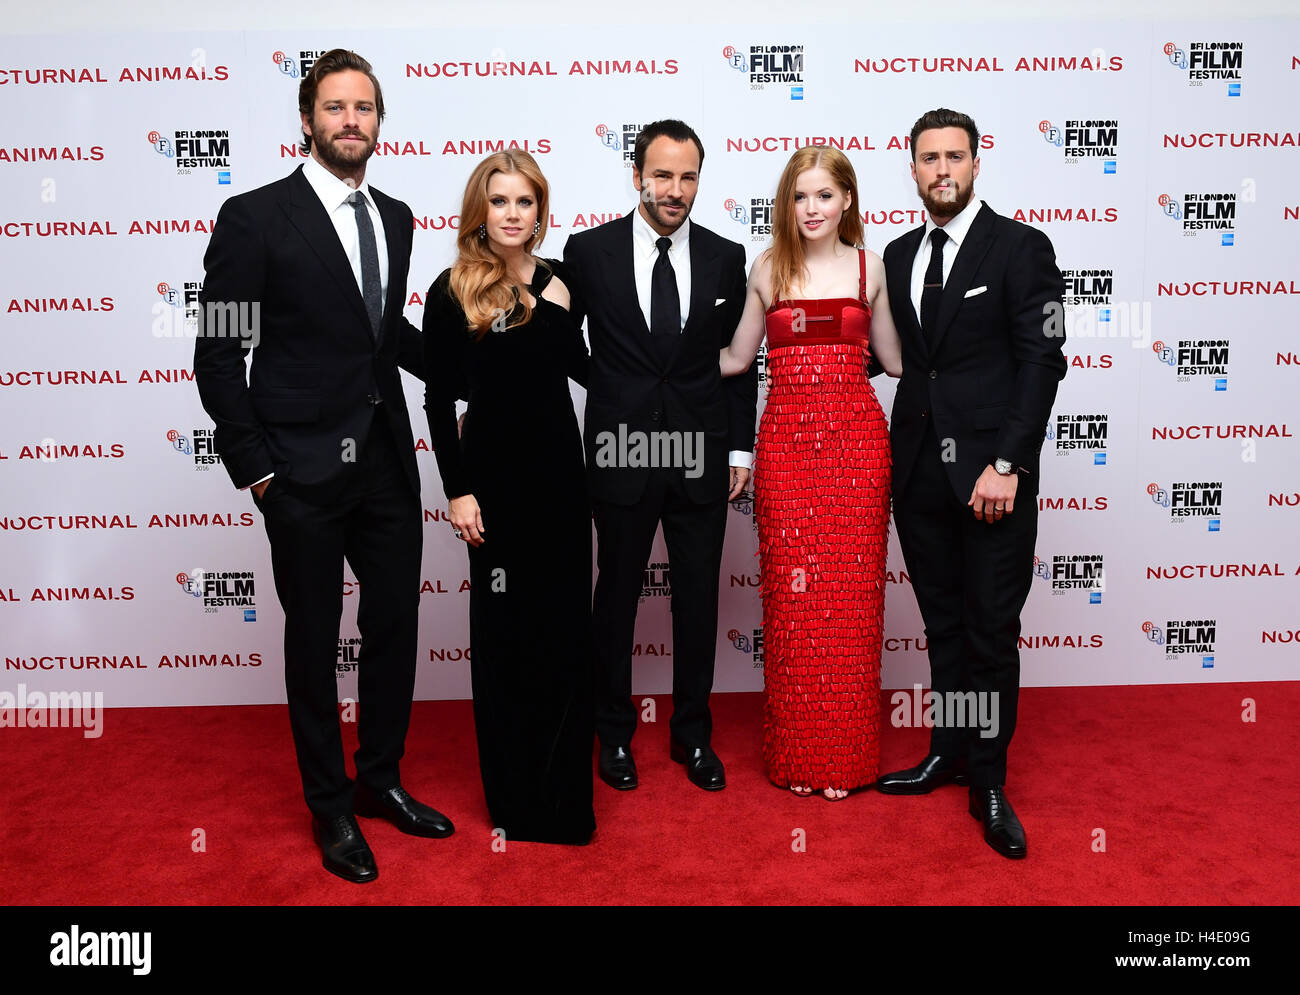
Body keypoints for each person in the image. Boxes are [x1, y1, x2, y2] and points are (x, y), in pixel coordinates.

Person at [194, 49, 453, 885]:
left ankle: (379, 780)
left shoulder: (400, 216)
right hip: (299, 470)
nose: (351, 121)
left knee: (393, 628)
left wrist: (483, 358)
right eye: (335, 107)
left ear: (380, 123)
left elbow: (383, 340)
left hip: (384, 463)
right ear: (307, 120)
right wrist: (258, 470)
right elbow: (218, 351)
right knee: (312, 639)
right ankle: (330, 804)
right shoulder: (255, 217)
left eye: (365, 108)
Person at [876, 108, 1067, 859]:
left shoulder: (1024, 247)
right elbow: (895, 357)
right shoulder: (895, 254)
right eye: (930, 158)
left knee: (990, 632)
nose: (943, 170)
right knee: (944, 626)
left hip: (993, 478)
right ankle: (948, 751)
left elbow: (1044, 359)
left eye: (956, 156)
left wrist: (1009, 463)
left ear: (978, 162)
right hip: (918, 471)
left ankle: (988, 778)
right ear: (913, 166)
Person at [563, 120, 758, 792]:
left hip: (701, 453)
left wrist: (739, 446)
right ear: (637, 174)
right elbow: (561, 342)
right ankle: (611, 734)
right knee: (614, 599)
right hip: (621, 452)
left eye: (688, 176)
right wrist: (613, 390)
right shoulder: (587, 252)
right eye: (663, 175)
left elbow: (737, 361)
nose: (675, 190)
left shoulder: (728, 255)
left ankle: (693, 735)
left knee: (698, 600)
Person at [422, 150, 595, 846]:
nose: (513, 214)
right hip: (492, 483)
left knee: (564, 636)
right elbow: (439, 399)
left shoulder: (564, 283)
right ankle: (517, 803)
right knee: (505, 638)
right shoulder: (453, 288)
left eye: (525, 202)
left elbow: (589, 371)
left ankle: (564, 803)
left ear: (540, 211)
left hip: (560, 476)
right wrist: (457, 490)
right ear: (479, 211)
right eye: (499, 202)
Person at [720, 146, 902, 800]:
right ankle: (799, 756)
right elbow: (738, 357)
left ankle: (845, 761)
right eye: (801, 197)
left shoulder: (870, 267)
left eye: (825, 195)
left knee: (850, 606)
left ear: (847, 199)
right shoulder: (768, 267)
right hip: (788, 450)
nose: (813, 208)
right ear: (786, 206)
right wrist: (649, 361)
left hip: (856, 445)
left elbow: (895, 360)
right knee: (795, 607)